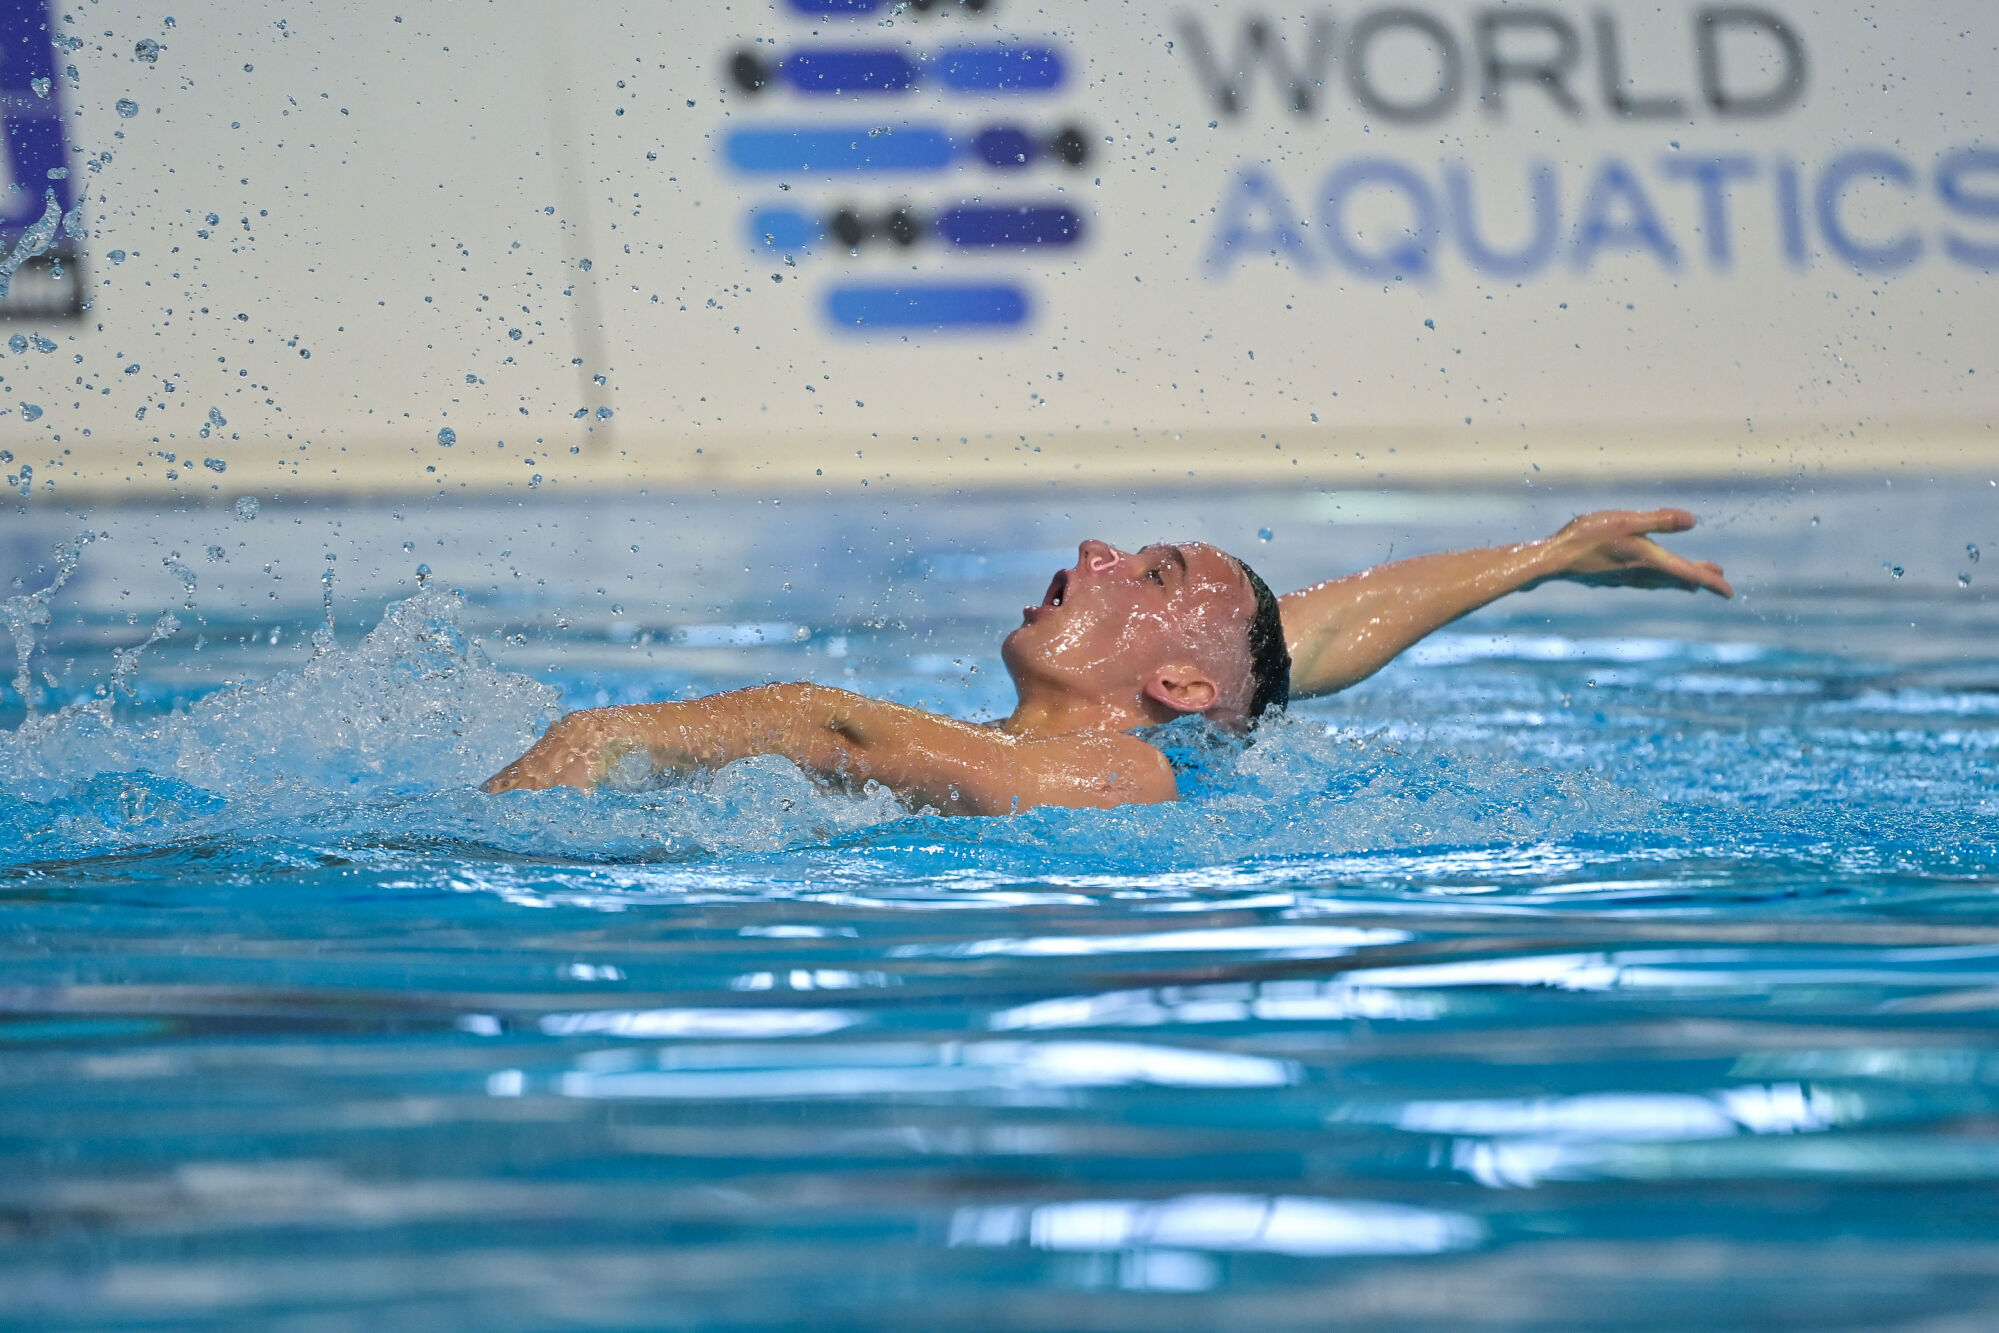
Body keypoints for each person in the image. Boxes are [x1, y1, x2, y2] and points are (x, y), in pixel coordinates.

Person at [483, 508, 1731, 813]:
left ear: (1175, 691)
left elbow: (830, 726)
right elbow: (1303, 639)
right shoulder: (1152, 727)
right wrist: (1542, 557)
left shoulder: (1127, 777)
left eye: (1151, 573)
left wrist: (609, 737)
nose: (1095, 549)